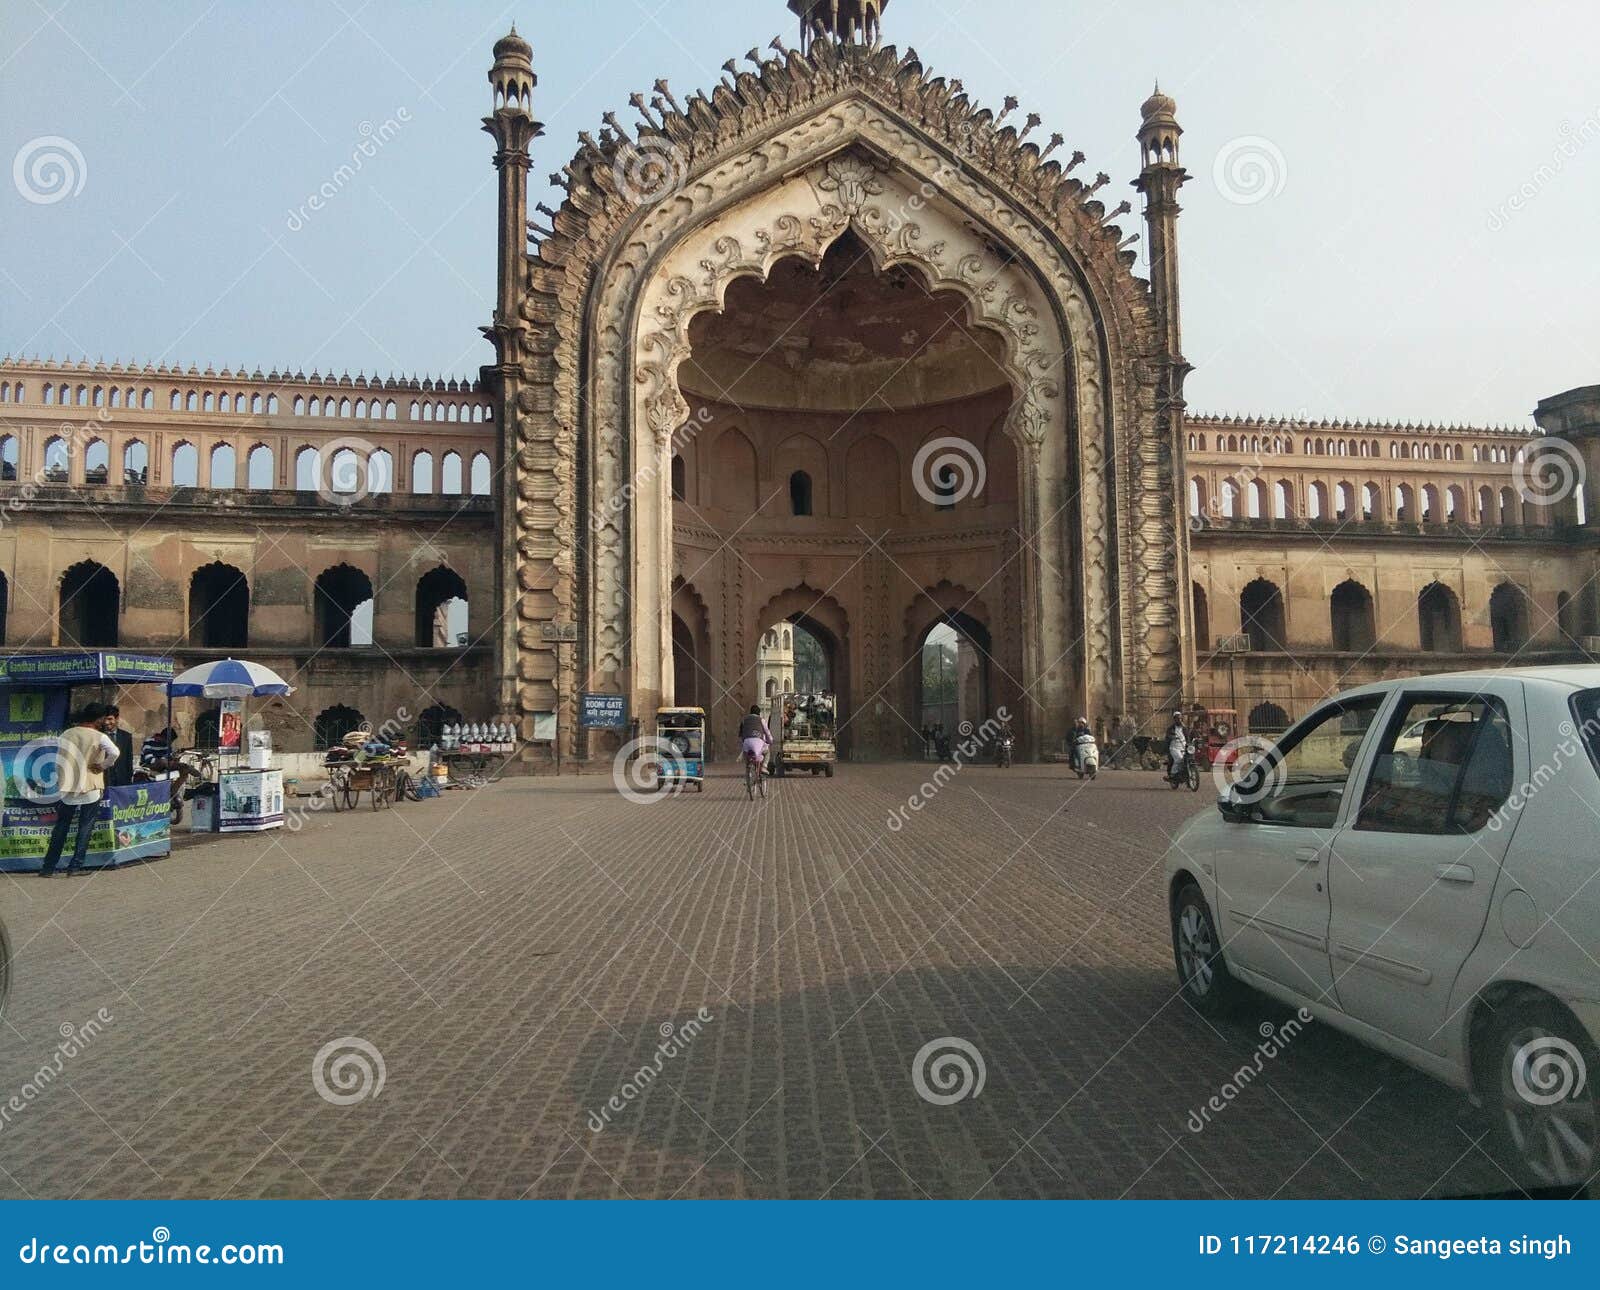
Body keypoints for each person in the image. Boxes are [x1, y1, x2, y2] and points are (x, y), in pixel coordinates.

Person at [39, 703, 120, 877]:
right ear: (98, 719)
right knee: (85, 827)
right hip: (90, 785)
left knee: (61, 827)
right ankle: (75, 867)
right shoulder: (99, 736)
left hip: (68, 786)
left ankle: (48, 867)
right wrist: (102, 766)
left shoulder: (66, 734)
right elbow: (115, 752)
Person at [102, 703, 135, 788]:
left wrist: (129, 777)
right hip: (104, 780)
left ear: (117, 719)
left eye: (110, 719)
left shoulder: (126, 736)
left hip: (122, 780)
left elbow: (129, 759)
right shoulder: (98, 735)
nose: (106, 722)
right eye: (104, 719)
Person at [739, 704, 772, 773]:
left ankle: (748, 773)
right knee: (767, 752)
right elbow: (767, 732)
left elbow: (741, 734)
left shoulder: (744, 720)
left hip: (746, 743)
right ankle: (764, 767)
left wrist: (743, 743)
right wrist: (770, 740)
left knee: (747, 758)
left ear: (750, 712)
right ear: (759, 713)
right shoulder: (761, 720)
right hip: (758, 743)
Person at [1165, 711, 1189, 782]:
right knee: (1179, 759)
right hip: (1174, 748)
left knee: (1188, 759)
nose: (1179, 720)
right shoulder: (1171, 728)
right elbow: (1167, 736)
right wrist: (1172, 736)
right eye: (1177, 718)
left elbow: (1188, 736)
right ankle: (1173, 773)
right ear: (1174, 719)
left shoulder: (1184, 728)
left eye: (1180, 718)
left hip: (1184, 747)